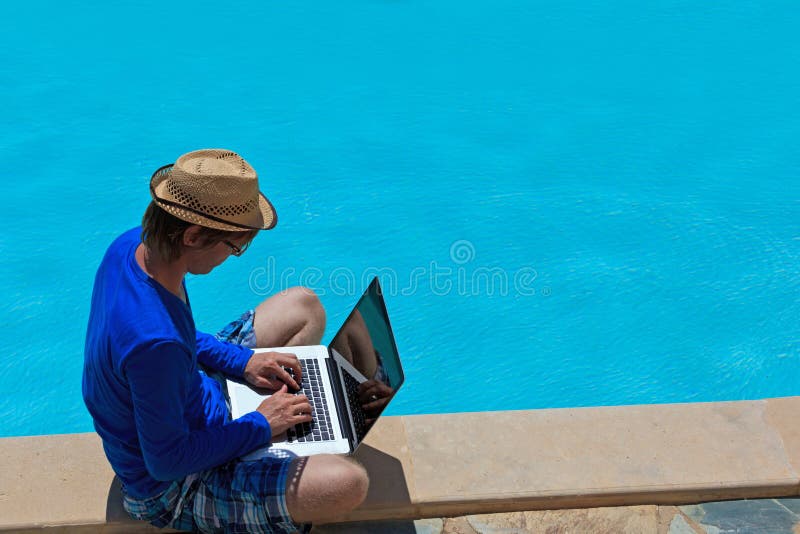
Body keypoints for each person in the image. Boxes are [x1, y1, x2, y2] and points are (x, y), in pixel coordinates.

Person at [82, 149, 369, 533]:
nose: (233, 258)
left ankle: (288, 444)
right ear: (194, 234)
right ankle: (268, 463)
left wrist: (241, 362)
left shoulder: (133, 247)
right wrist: (262, 425)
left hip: (192, 391)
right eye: (233, 246)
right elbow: (166, 462)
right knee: (348, 483)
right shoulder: (156, 346)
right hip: (172, 485)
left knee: (304, 306)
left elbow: (175, 334)